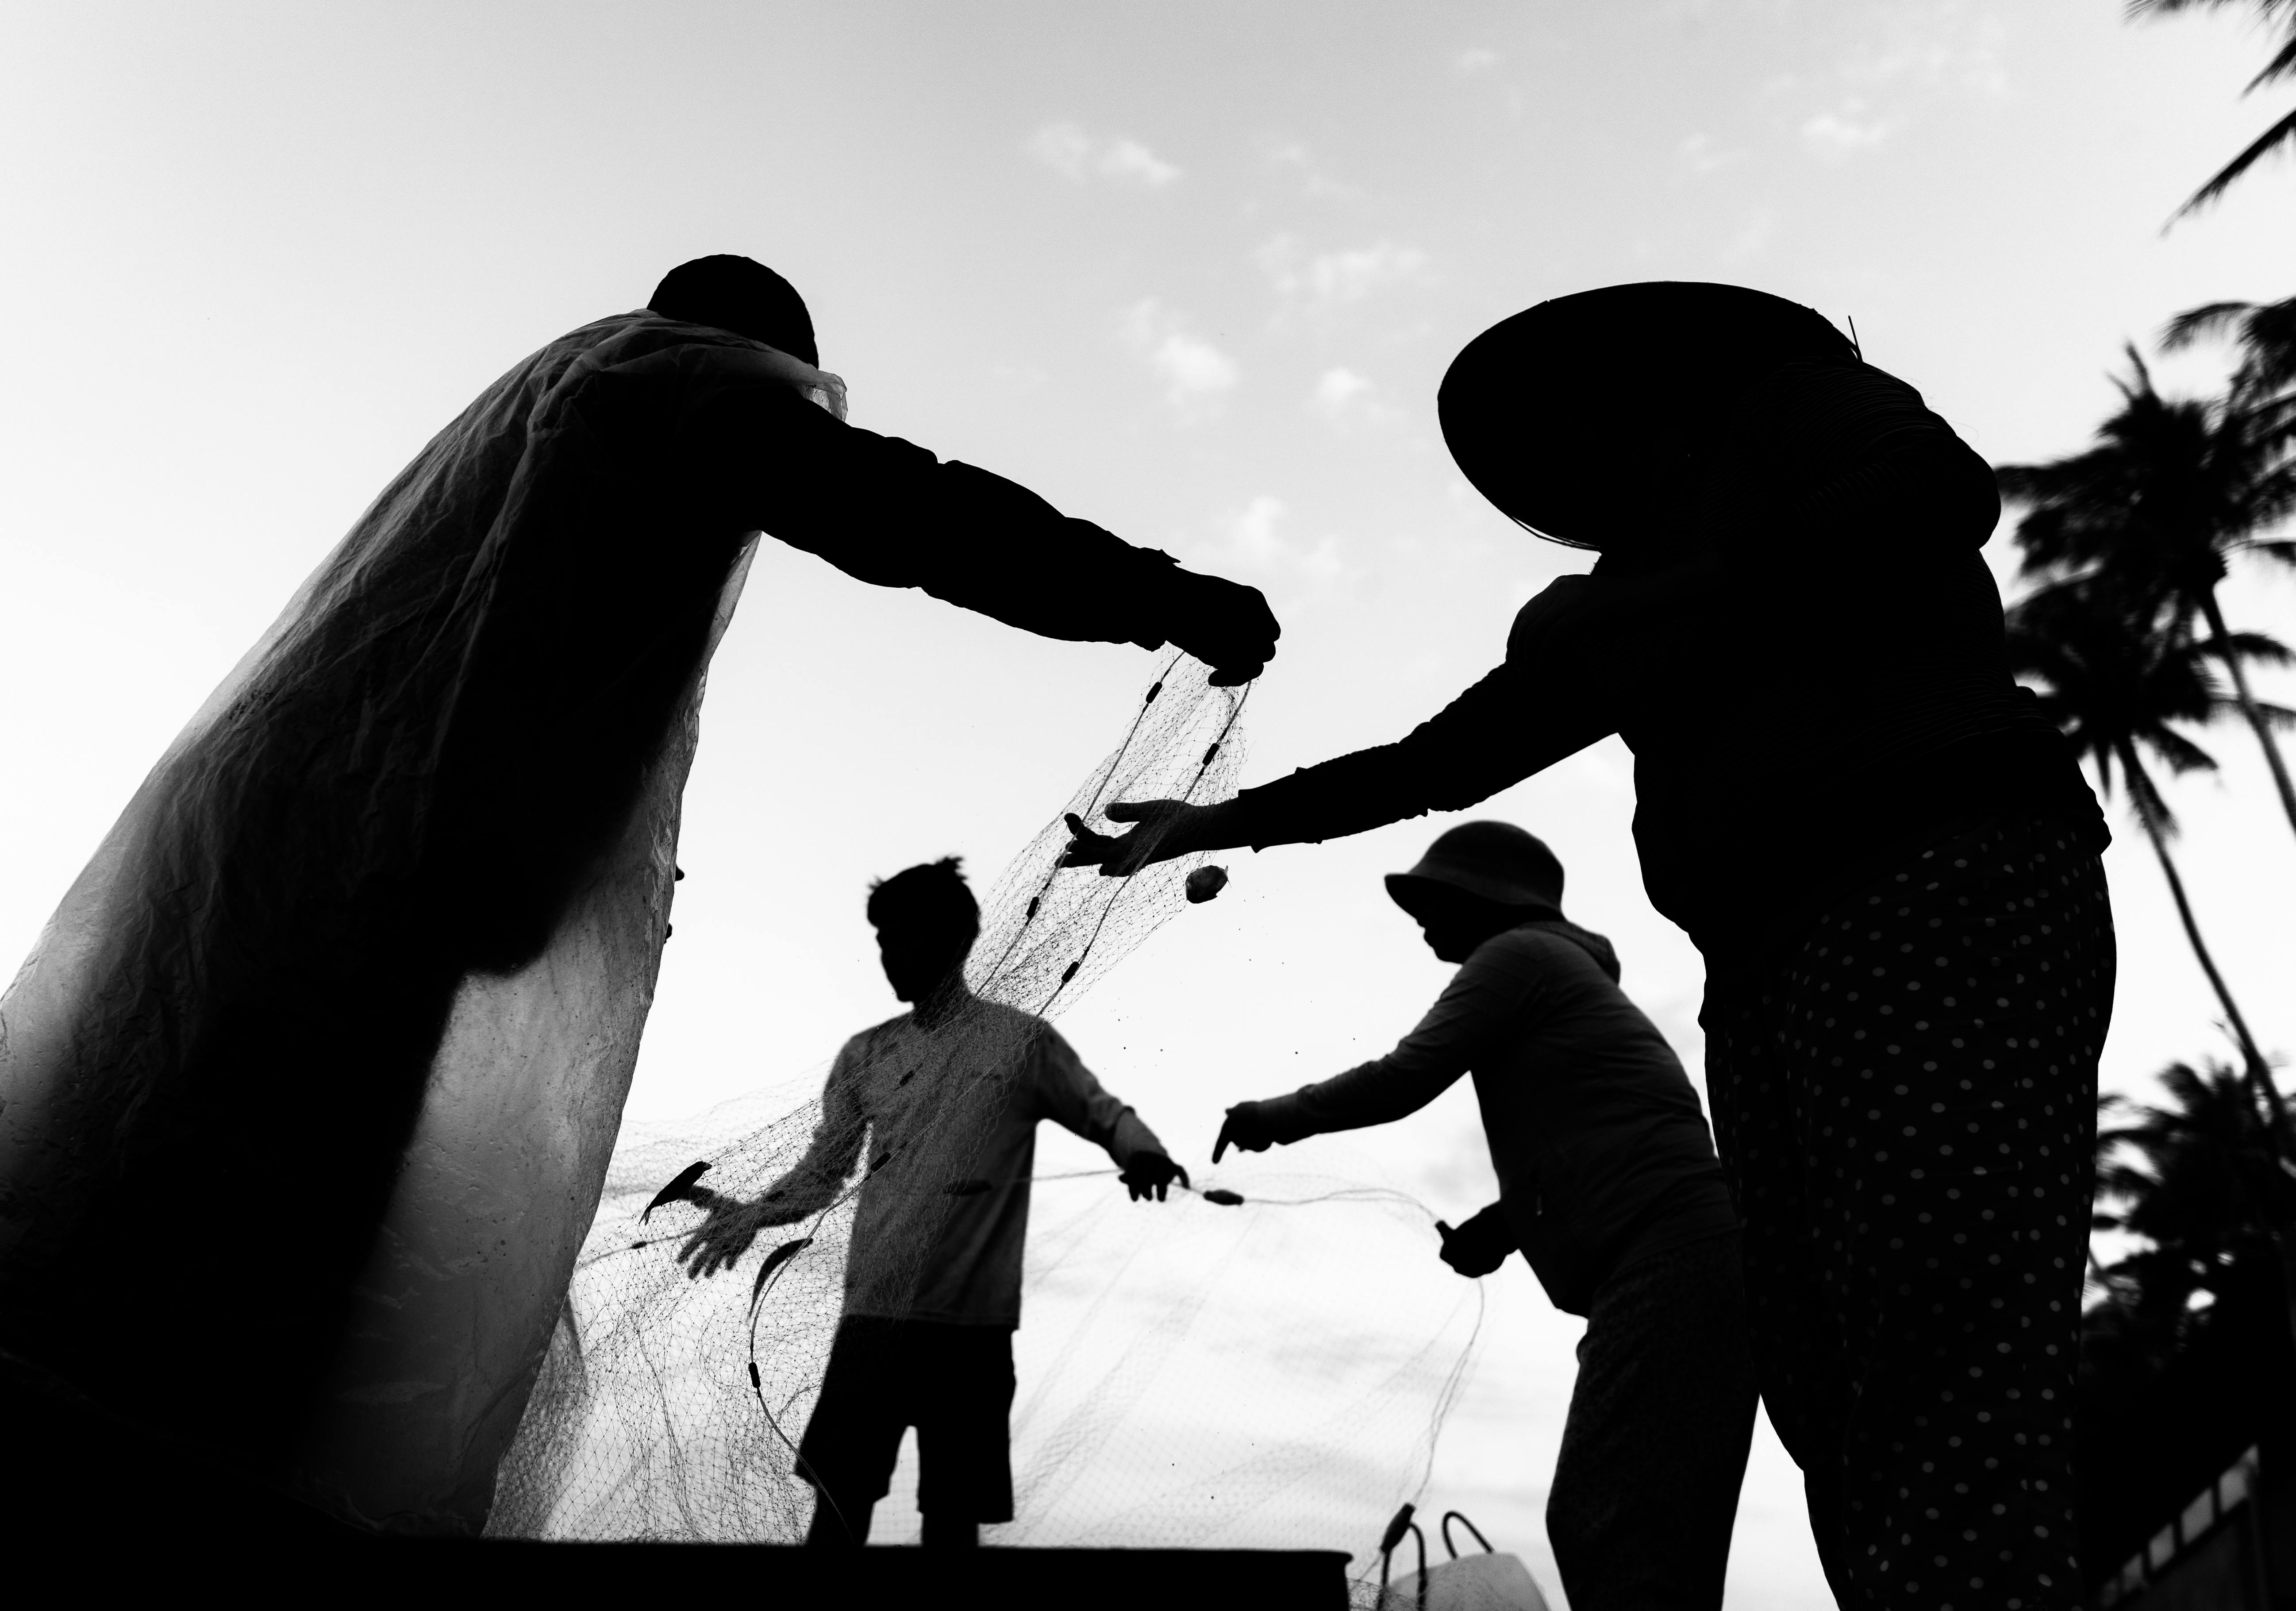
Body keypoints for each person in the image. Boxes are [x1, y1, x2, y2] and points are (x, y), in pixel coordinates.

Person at [0, 254, 1273, 1535]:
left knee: (141, 1176)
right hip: (368, 848)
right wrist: (1154, 594)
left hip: (298, 818)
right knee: (251, 1230)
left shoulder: (562, 392)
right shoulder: (687, 379)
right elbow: (906, 511)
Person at [1068, 282, 2114, 1609]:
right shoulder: (1622, 605)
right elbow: (1434, 761)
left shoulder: (1786, 413)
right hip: (1756, 966)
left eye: (1573, 426)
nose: (1562, 463)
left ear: (1646, 397)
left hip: (1926, 879)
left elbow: (1930, 490)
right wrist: (1219, 821)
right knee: (1822, 1396)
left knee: (1932, 1360)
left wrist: (1656, 596)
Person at [1215, 821, 1752, 1609]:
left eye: (1435, 901)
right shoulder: (1559, 975)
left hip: (1673, 1257)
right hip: (1687, 1259)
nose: (1422, 921)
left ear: (1487, 899)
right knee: (1641, 1526)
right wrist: (1505, 1228)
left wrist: (1274, 1115)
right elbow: (1599, 1138)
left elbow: (1403, 1078)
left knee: (1614, 1525)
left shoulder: (1520, 957)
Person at [679, 858, 1188, 1548]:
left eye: (903, 937)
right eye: (882, 939)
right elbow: (821, 1177)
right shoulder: (866, 1055)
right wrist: (751, 1213)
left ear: (954, 940)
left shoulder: (1019, 1042)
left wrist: (1145, 1153)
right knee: (838, 1509)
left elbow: (1104, 1115)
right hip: (873, 1314)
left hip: (973, 1325)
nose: (889, 954)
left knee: (952, 1522)